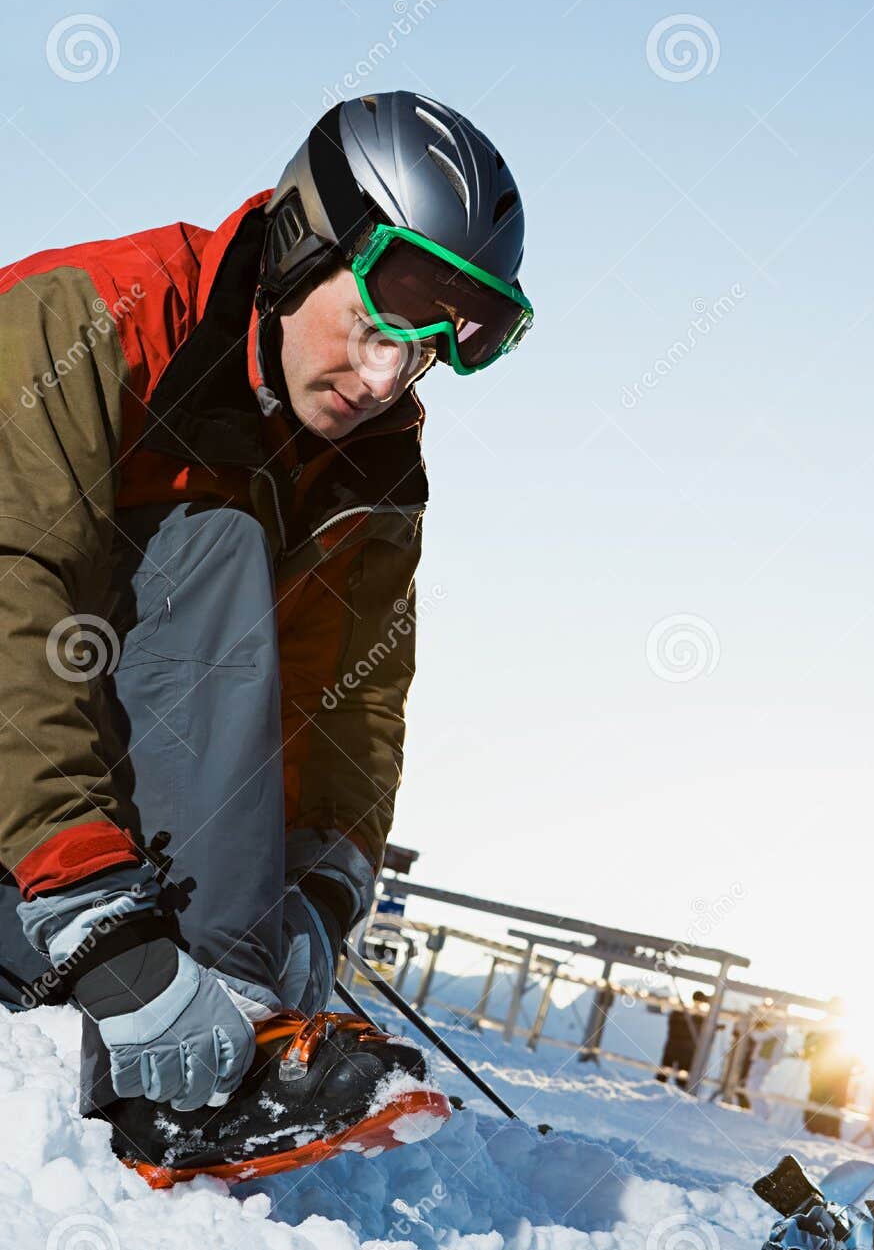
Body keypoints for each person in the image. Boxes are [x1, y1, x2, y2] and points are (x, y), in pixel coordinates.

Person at [0, 92, 532, 1180]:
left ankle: (206, 997)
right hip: (31, 805)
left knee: (223, 551)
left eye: (429, 350)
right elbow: (15, 593)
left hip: (46, 841)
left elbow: (355, 699)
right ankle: (183, 1061)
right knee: (212, 541)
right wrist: (101, 925)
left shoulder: (371, 465)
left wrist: (320, 900)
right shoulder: (93, 320)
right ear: (300, 244)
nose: (385, 378)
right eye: (379, 321)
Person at [655, 991, 709, 1084]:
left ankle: (657, 1089)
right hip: (684, 1049)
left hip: (673, 1045)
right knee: (680, 1078)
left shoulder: (681, 1011)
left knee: (665, 1073)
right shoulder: (694, 1015)